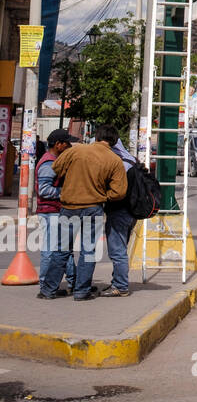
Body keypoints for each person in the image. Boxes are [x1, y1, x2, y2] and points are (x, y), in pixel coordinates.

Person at [50, 123, 129, 300]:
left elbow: (56, 167)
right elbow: (119, 192)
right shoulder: (115, 160)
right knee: (88, 250)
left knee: (62, 249)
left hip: (69, 207)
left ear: (96, 136)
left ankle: (49, 289)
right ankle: (81, 291)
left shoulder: (77, 151)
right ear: (115, 141)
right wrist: (103, 194)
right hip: (93, 208)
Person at [35, 129, 79, 299]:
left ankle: (72, 282)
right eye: (66, 143)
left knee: (63, 250)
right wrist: (66, 192)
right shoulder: (48, 164)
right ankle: (45, 285)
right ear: (58, 145)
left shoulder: (54, 160)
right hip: (50, 211)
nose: (69, 146)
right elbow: (45, 190)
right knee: (50, 250)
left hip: (55, 211)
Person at [100, 125, 136, 297]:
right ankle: (117, 282)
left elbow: (116, 190)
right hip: (131, 212)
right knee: (121, 248)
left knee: (117, 251)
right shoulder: (130, 159)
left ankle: (121, 286)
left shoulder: (116, 163)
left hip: (119, 210)